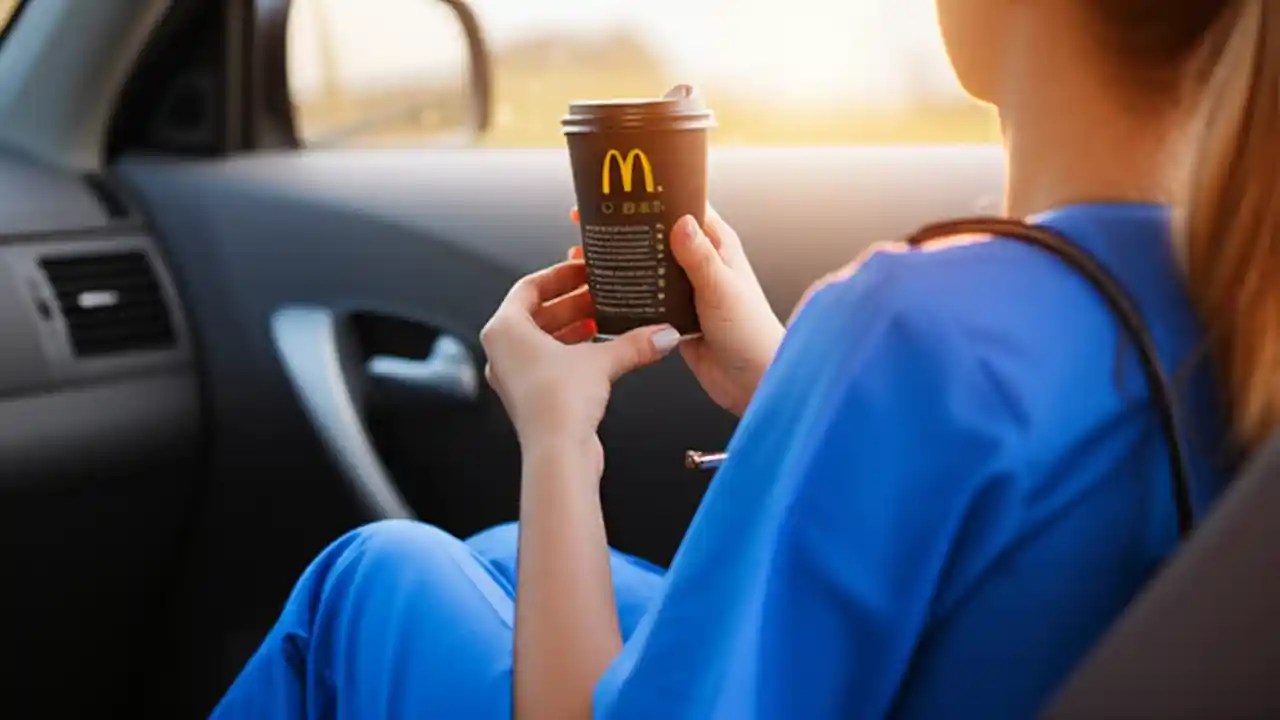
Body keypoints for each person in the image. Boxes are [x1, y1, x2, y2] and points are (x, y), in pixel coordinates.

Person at [214, 1, 1279, 718]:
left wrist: (555, 436)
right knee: (494, 555)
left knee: (369, 580)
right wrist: (790, 390)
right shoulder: (1239, 295)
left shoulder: (914, 326)